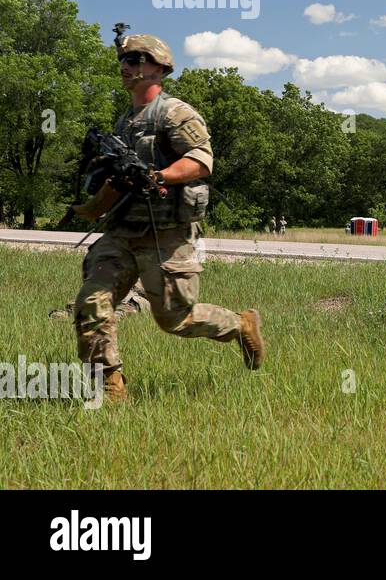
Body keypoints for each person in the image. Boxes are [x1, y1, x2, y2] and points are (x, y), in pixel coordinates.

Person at [69, 29, 265, 403]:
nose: (126, 68)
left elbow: (200, 161)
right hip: (122, 232)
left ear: (158, 68)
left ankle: (240, 326)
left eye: (134, 61)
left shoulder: (175, 113)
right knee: (91, 304)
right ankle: (110, 389)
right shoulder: (126, 121)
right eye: (123, 61)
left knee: (175, 319)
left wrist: (157, 176)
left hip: (167, 235)